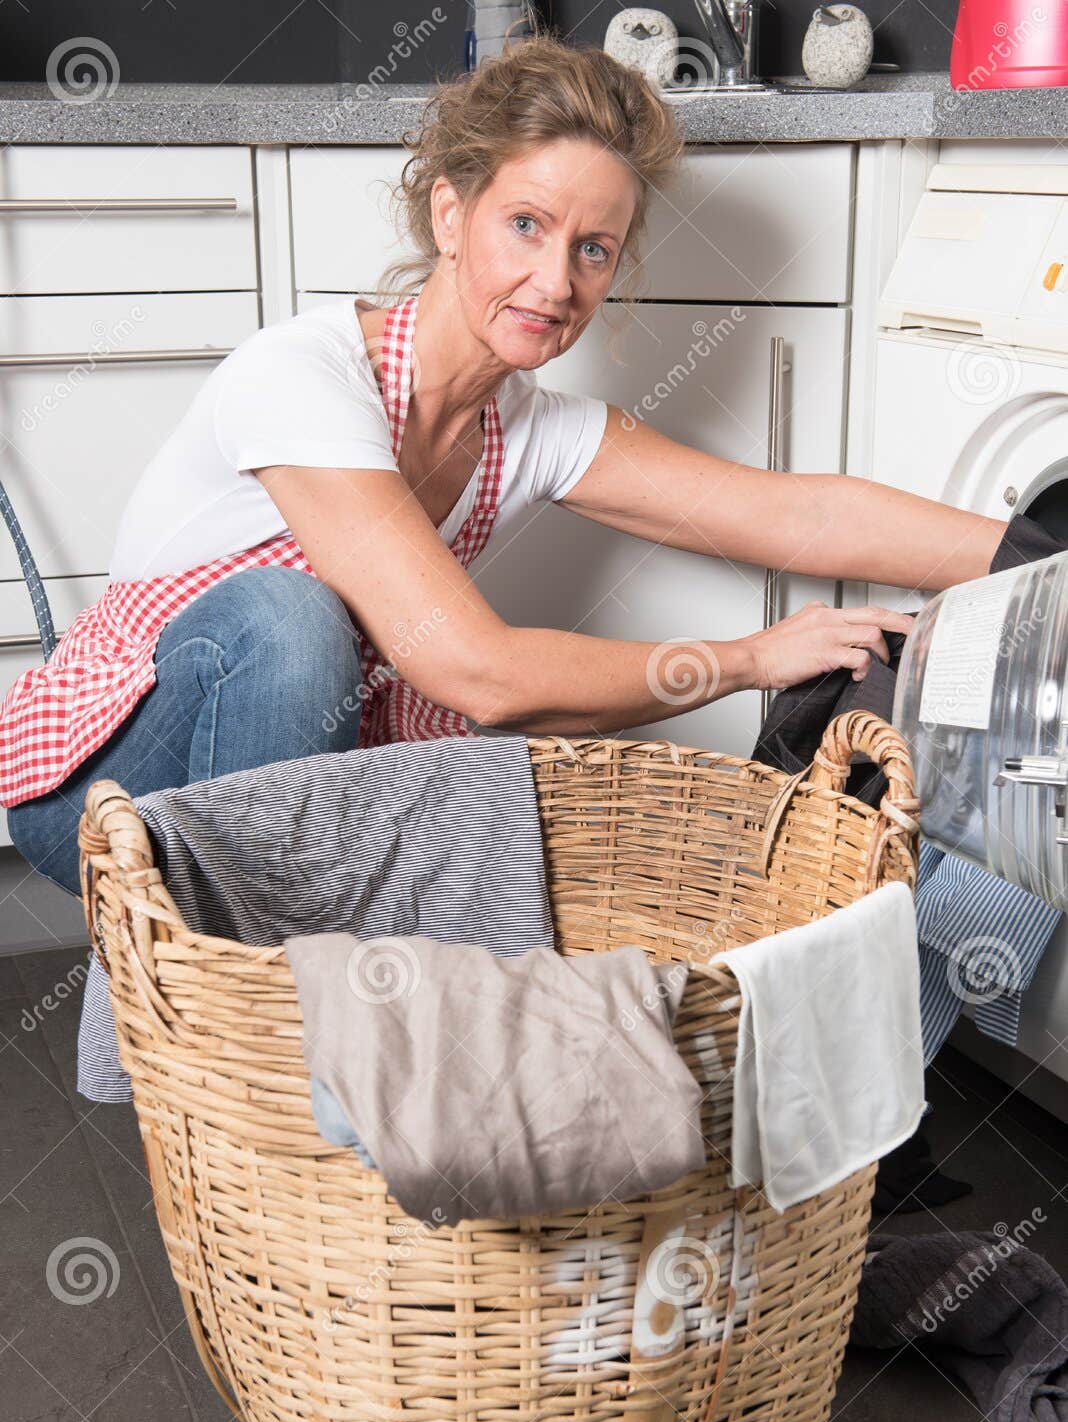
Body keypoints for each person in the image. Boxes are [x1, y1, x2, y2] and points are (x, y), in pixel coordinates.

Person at [2, 31, 1006, 899]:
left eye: (594, 249)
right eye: (525, 224)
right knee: (286, 616)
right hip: (101, 787)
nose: (555, 280)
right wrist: (746, 659)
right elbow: (472, 671)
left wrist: (1031, 558)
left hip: (277, 787)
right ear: (450, 216)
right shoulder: (303, 377)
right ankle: (248, 996)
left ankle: (285, 990)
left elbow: (800, 517)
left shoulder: (526, 427)